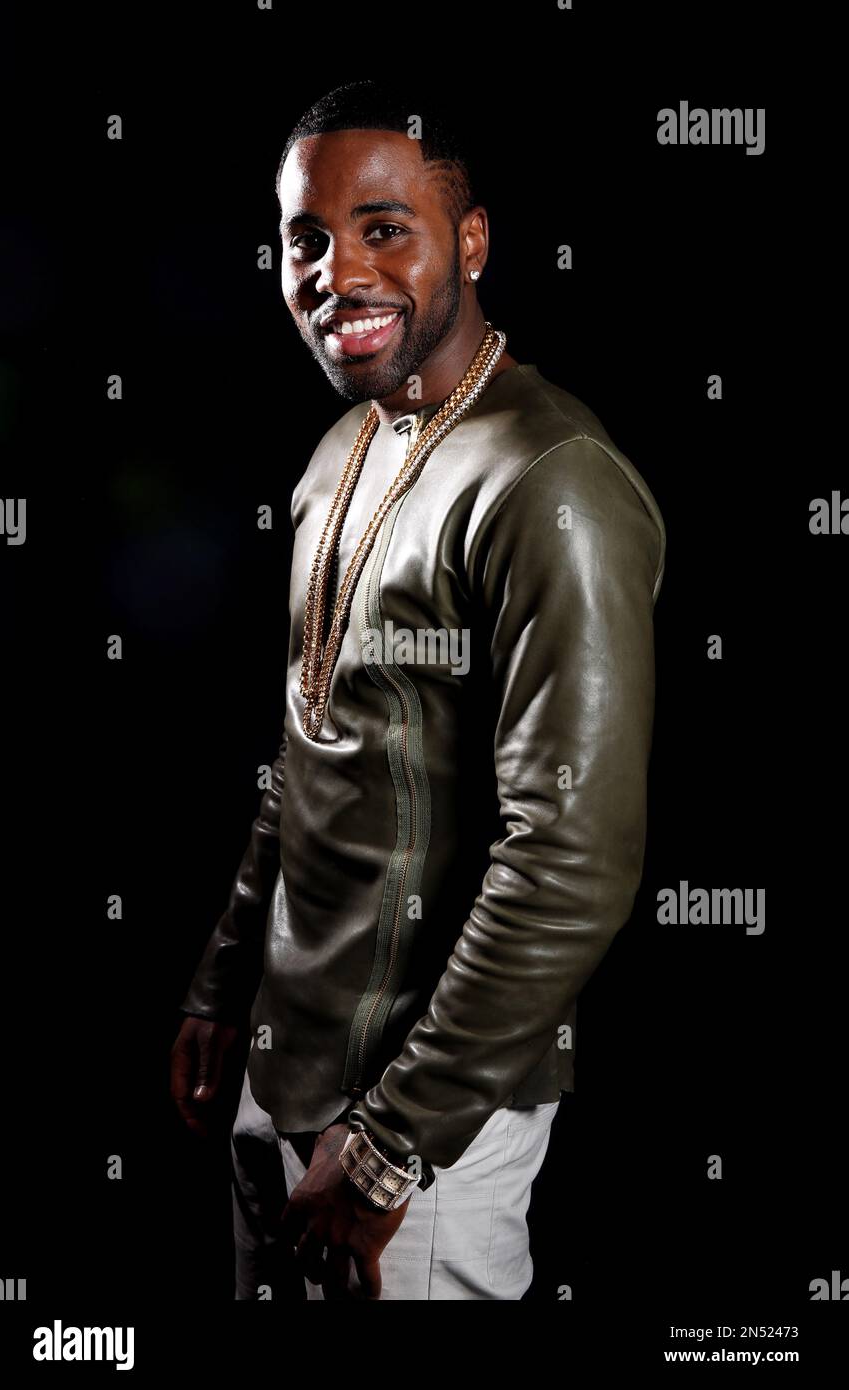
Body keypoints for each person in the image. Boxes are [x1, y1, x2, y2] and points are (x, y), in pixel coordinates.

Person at [170, 79, 666, 1301]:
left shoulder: (551, 481)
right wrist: (230, 979)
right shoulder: (343, 446)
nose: (336, 268)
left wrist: (389, 1151)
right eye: (306, 237)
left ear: (473, 243)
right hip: (281, 1089)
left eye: (383, 227)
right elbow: (306, 747)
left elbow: (569, 860)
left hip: (418, 1145)